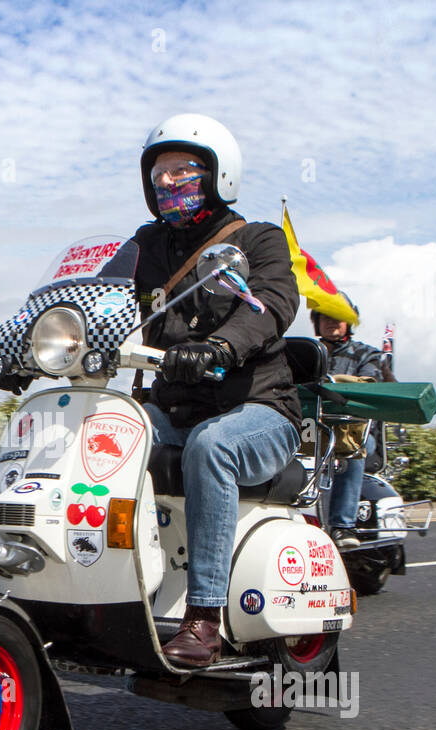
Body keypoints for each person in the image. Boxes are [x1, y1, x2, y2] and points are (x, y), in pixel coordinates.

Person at [132, 113, 302, 667]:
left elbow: (274, 304)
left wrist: (221, 347)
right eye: (160, 174)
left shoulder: (258, 240)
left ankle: (204, 617)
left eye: (184, 170)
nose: (170, 183)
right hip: (175, 406)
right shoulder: (146, 245)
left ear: (217, 175)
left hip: (258, 411)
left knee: (212, 444)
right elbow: (102, 292)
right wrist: (35, 340)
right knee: (103, 431)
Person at [312, 297, 394, 548]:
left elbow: (369, 383)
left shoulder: (367, 354)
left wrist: (336, 383)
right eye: (324, 317)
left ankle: (342, 526)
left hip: (350, 429)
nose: (331, 322)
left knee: (355, 446)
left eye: (337, 317)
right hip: (311, 427)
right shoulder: (308, 352)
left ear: (349, 322)